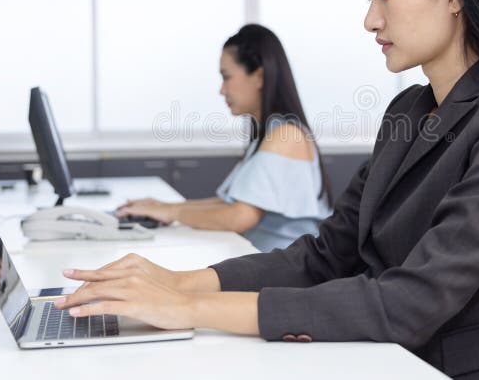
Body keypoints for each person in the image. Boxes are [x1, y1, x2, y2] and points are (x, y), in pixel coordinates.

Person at [55, 0, 479, 379]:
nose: (370, 21)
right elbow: (323, 257)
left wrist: (188, 308)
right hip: (390, 357)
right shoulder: (409, 110)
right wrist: (179, 281)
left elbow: (410, 302)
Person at [117, 23, 332, 252]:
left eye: (226, 77)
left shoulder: (286, 135)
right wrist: (164, 207)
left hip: (288, 273)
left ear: (259, 76)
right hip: (269, 260)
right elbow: (230, 203)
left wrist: (171, 212)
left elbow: (240, 216)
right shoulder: (272, 132)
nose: (222, 90)